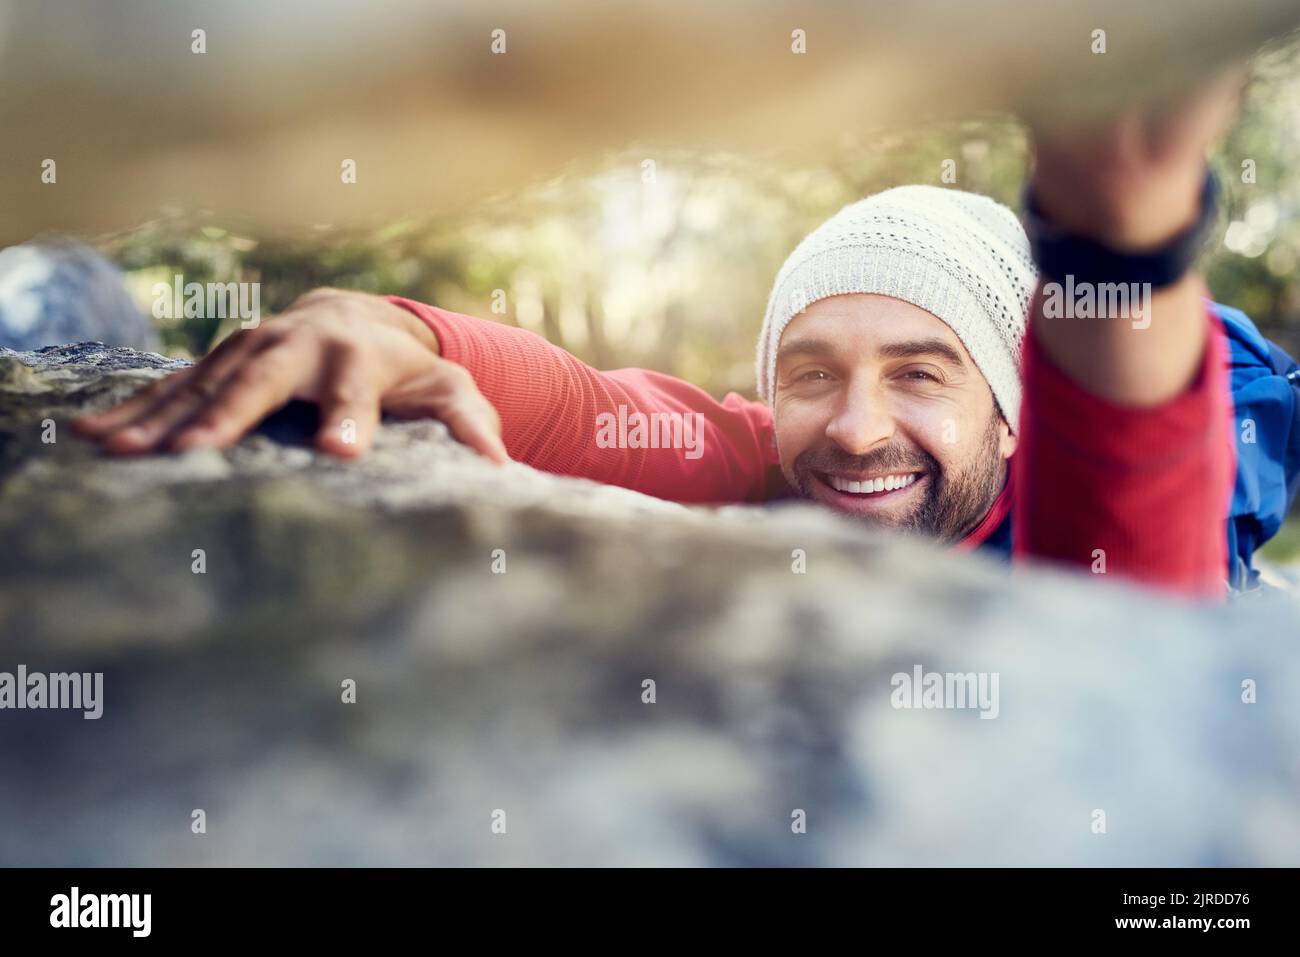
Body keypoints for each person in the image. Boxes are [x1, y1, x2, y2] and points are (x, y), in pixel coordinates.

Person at [75, 73, 1284, 599]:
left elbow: (1133, 552)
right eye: (810, 374)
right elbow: (580, 408)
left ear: (1018, 408)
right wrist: (387, 327)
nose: (854, 428)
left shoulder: (1106, 511)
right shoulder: (769, 456)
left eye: (921, 373)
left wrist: (1119, 242)